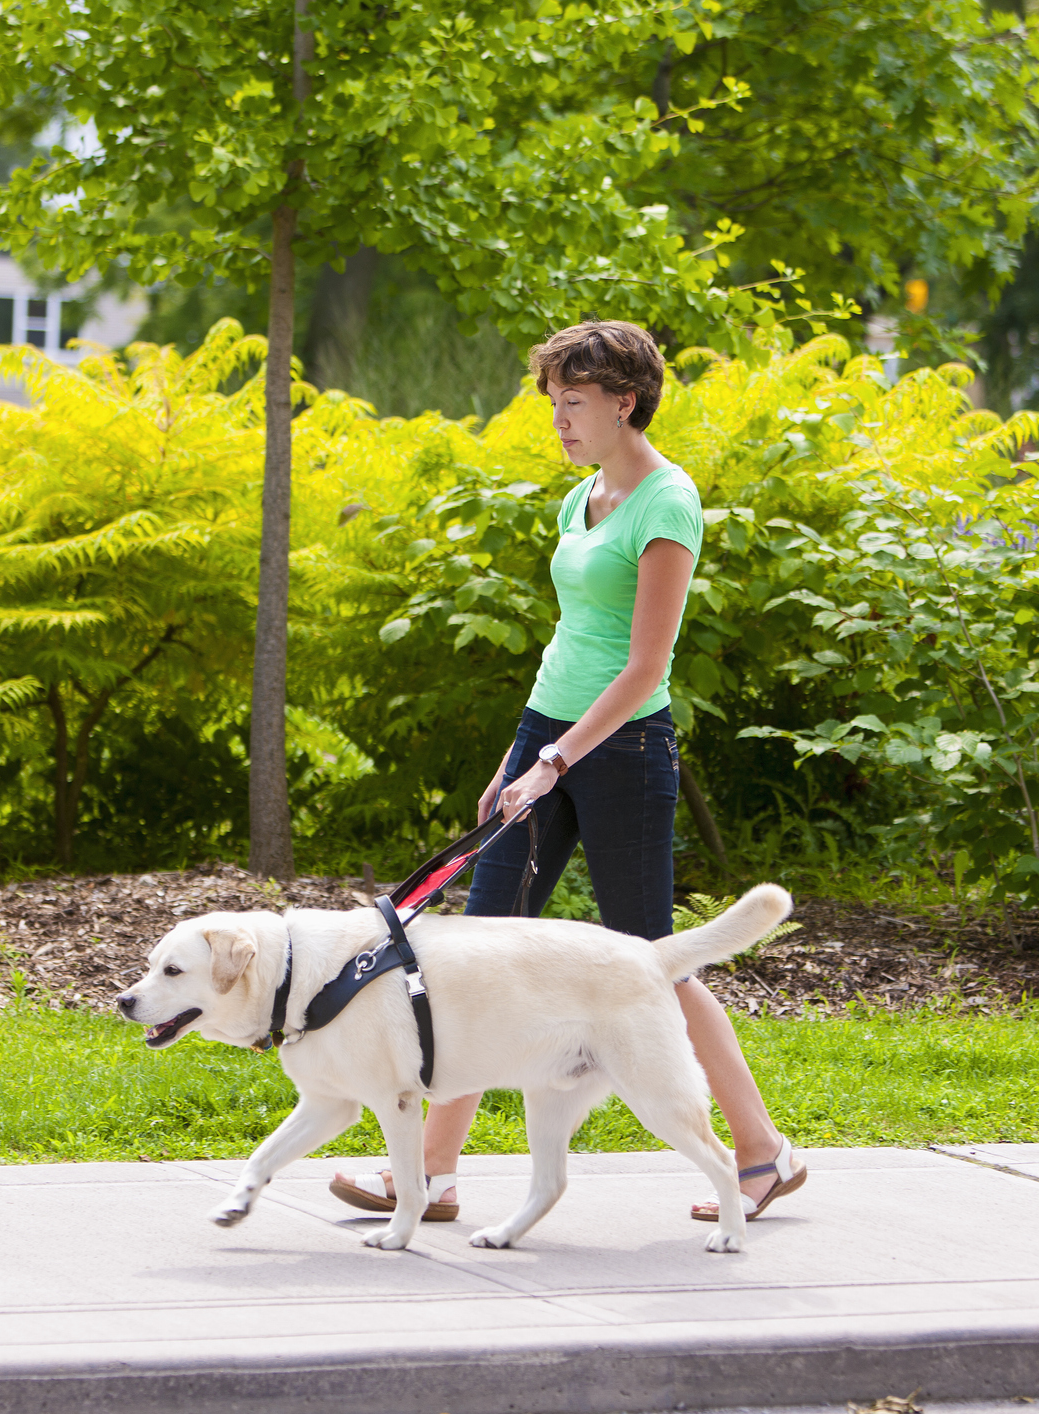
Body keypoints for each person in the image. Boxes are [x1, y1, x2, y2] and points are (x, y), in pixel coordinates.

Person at [330, 319, 806, 1226]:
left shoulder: (666, 504)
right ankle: (431, 1173)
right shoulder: (580, 497)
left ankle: (761, 1151)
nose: (558, 420)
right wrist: (517, 755)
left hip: (622, 752)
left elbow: (643, 666)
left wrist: (554, 762)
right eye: (553, 402)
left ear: (625, 402)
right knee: (479, 948)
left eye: (574, 402)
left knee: (652, 962)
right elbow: (571, 639)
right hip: (547, 739)